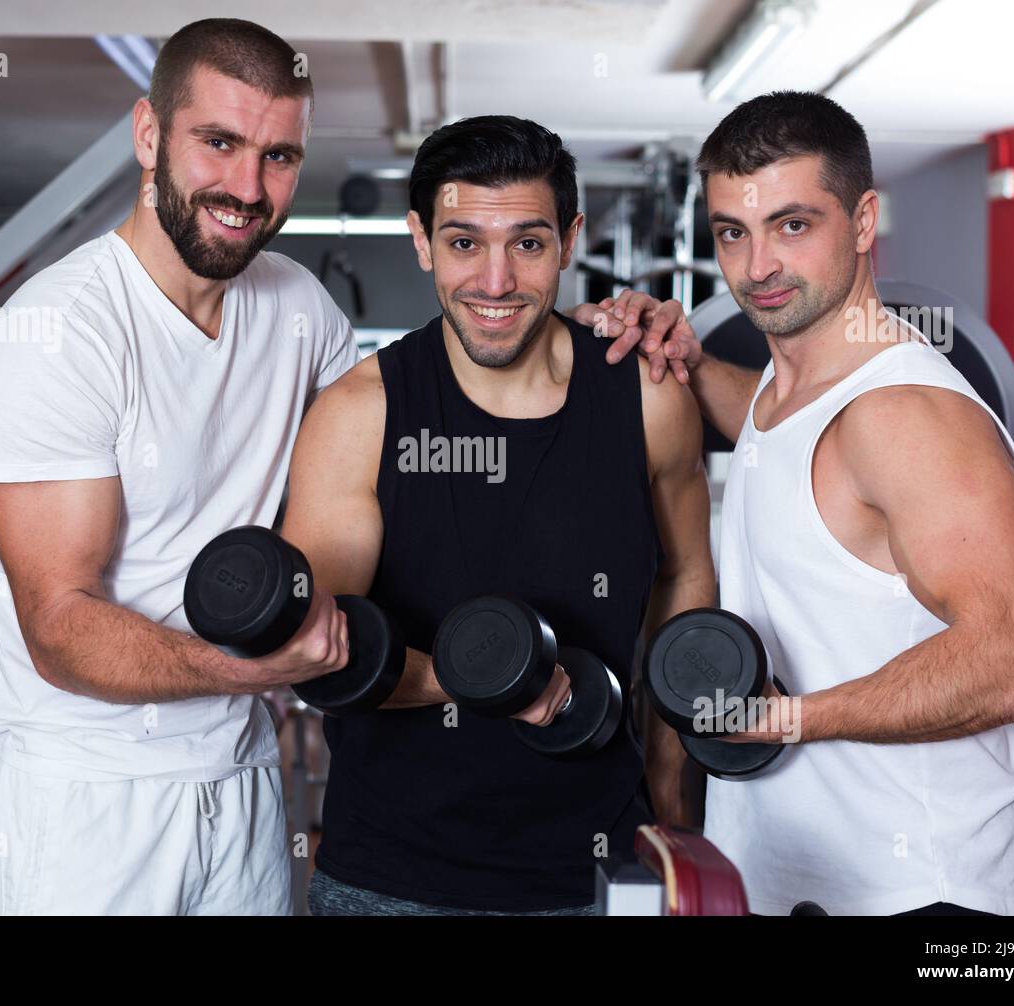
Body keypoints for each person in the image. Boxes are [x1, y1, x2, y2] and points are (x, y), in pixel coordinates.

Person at [577, 91, 1014, 915]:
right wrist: (678, 354)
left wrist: (787, 717)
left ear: (864, 220)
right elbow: (777, 433)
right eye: (734, 232)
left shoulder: (905, 415)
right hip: (788, 884)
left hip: (925, 899)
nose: (758, 265)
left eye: (793, 226)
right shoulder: (788, 386)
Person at [0, 18, 357, 915]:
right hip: (85, 805)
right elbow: (61, 625)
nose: (248, 188)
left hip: (242, 780)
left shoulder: (298, 307)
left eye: (279, 156)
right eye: (218, 142)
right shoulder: (58, 336)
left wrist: (586, 343)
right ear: (148, 134)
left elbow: (398, 447)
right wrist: (252, 669)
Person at [281, 115, 716, 916]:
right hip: (392, 877)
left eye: (527, 242)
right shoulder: (360, 416)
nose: (494, 281)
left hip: (599, 867)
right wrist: (501, 683)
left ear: (571, 237)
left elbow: (684, 572)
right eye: (463, 242)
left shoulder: (648, 399)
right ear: (420, 239)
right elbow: (325, 648)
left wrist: (668, 769)